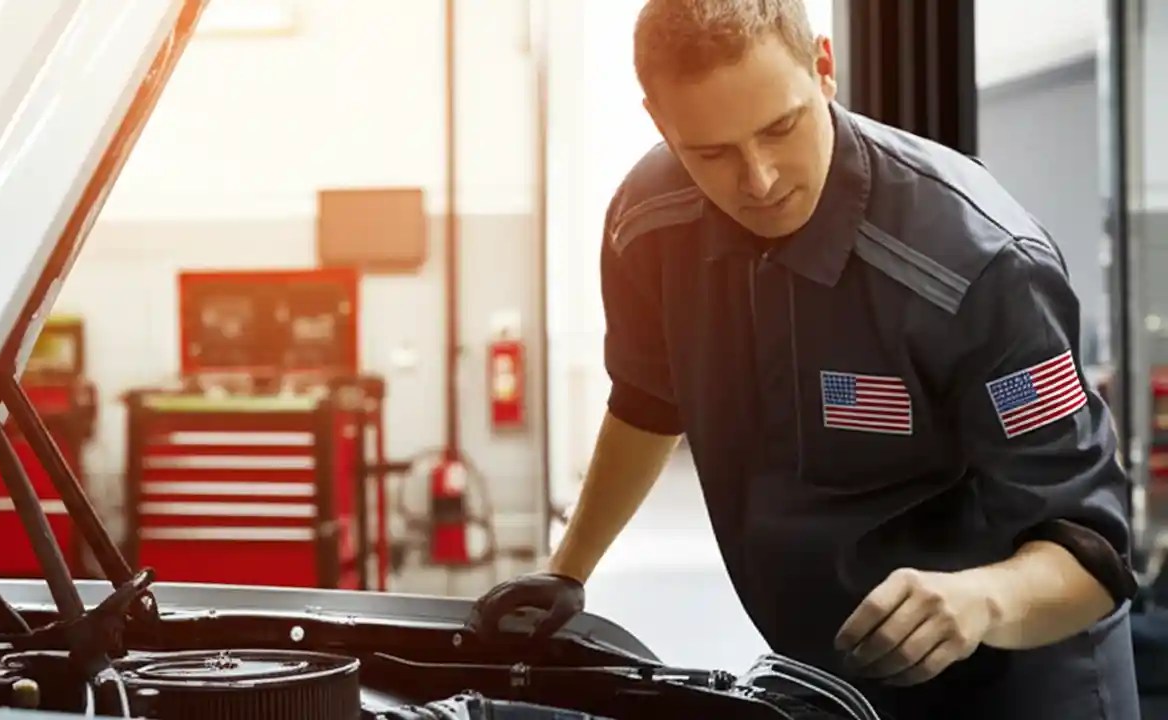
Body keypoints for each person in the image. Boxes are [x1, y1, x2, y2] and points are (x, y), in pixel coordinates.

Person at [465, 1, 1142, 718]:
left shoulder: (979, 267)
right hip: (827, 683)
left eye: (780, 128)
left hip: (1022, 682)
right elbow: (646, 399)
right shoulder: (647, 222)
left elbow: (1091, 551)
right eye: (710, 153)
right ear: (659, 122)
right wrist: (567, 573)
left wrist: (978, 600)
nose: (758, 180)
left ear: (825, 67)